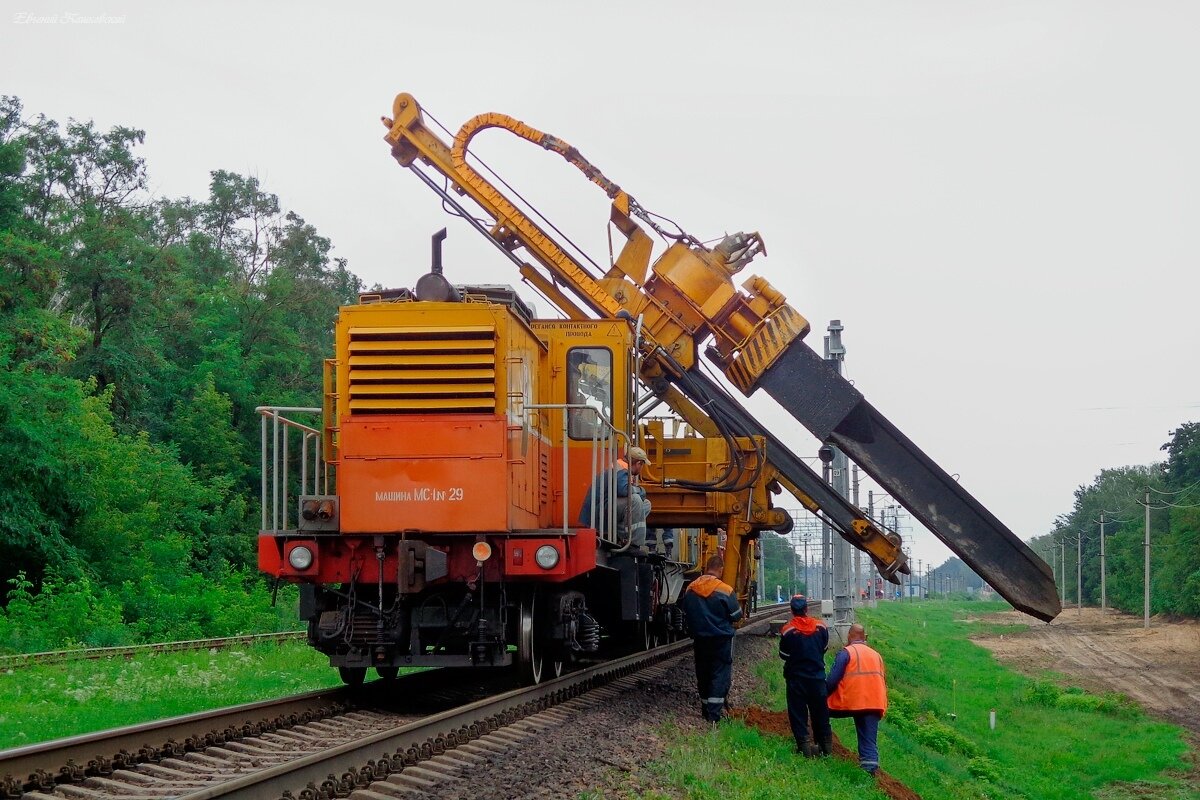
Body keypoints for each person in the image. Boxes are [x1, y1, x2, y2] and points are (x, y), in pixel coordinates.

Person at [680, 554, 742, 723]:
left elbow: (686, 611)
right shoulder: (725, 590)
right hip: (721, 640)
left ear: (706, 568)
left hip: (700, 639)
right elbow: (737, 615)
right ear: (720, 569)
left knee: (703, 673)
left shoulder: (691, 588)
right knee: (719, 674)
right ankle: (714, 716)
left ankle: (705, 709)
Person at [826, 623, 888, 776]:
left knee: (821, 711)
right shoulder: (876, 655)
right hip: (874, 702)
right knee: (869, 739)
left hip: (851, 701)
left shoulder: (847, 653)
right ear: (864, 637)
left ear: (849, 636)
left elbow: (833, 680)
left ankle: (822, 745)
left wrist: (822, 694)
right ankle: (870, 771)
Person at [778, 594, 832, 757]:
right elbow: (824, 649)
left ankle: (805, 747)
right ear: (806, 609)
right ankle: (825, 747)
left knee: (798, 713)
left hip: (796, 679)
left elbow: (783, 655)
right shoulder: (821, 627)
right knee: (821, 712)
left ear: (792, 610)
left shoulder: (788, 630)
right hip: (817, 678)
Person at [577, 445, 651, 555]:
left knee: (645, 504)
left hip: (602, 509)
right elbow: (624, 490)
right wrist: (641, 491)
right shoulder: (621, 469)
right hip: (598, 515)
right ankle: (632, 544)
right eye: (642, 465)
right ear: (639, 463)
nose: (641, 469)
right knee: (635, 499)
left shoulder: (621, 467)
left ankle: (623, 536)